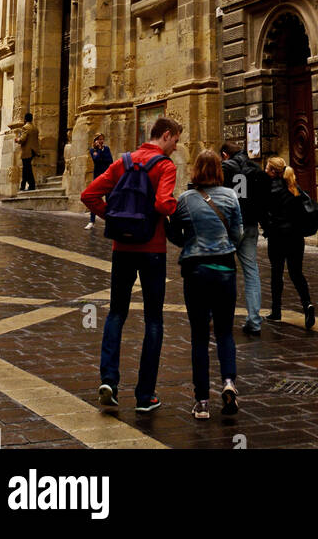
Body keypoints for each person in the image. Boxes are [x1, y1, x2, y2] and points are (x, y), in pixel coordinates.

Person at [81, 115, 182, 414]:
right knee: (153, 320)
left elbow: (89, 195)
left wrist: (111, 217)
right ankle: (145, 395)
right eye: (175, 140)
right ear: (165, 135)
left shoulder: (122, 161)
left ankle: (109, 380)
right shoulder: (165, 166)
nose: (176, 147)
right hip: (152, 249)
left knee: (116, 313)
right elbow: (164, 204)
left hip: (122, 248)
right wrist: (178, 207)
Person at [168, 148, 243, 420]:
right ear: (219, 170)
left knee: (199, 337)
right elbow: (238, 232)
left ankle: (201, 402)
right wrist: (224, 246)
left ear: (195, 170)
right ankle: (229, 383)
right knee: (225, 332)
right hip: (225, 269)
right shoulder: (232, 196)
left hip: (197, 271)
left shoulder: (185, 199)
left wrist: (189, 244)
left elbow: (174, 233)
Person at [221, 139, 271, 337]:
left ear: (225, 154)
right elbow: (264, 198)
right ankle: (254, 320)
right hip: (249, 225)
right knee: (251, 271)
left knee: (223, 268)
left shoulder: (224, 168)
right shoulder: (255, 169)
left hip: (229, 225)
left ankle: (217, 315)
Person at [263, 155, 315, 330]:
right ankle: (307, 304)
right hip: (295, 238)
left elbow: (265, 214)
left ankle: (276, 311)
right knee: (296, 273)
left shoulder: (270, 190)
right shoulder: (295, 188)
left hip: (277, 237)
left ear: (273, 172)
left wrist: (267, 227)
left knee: (276, 273)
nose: (264, 171)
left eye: (267, 168)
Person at [85, 134, 113, 229]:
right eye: (99, 139)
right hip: (97, 177)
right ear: (95, 141)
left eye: (102, 139)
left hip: (107, 177)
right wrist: (100, 151)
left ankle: (109, 221)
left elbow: (110, 160)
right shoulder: (93, 150)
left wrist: (101, 154)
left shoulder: (107, 149)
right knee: (95, 198)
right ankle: (92, 221)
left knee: (109, 199)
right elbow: (96, 160)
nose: (101, 141)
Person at [15, 112, 40, 191]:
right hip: (33, 150)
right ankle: (23, 185)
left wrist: (17, 140)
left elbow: (22, 139)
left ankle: (31, 185)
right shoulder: (35, 128)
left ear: (25, 119)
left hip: (27, 151)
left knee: (27, 169)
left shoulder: (25, 127)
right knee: (26, 168)